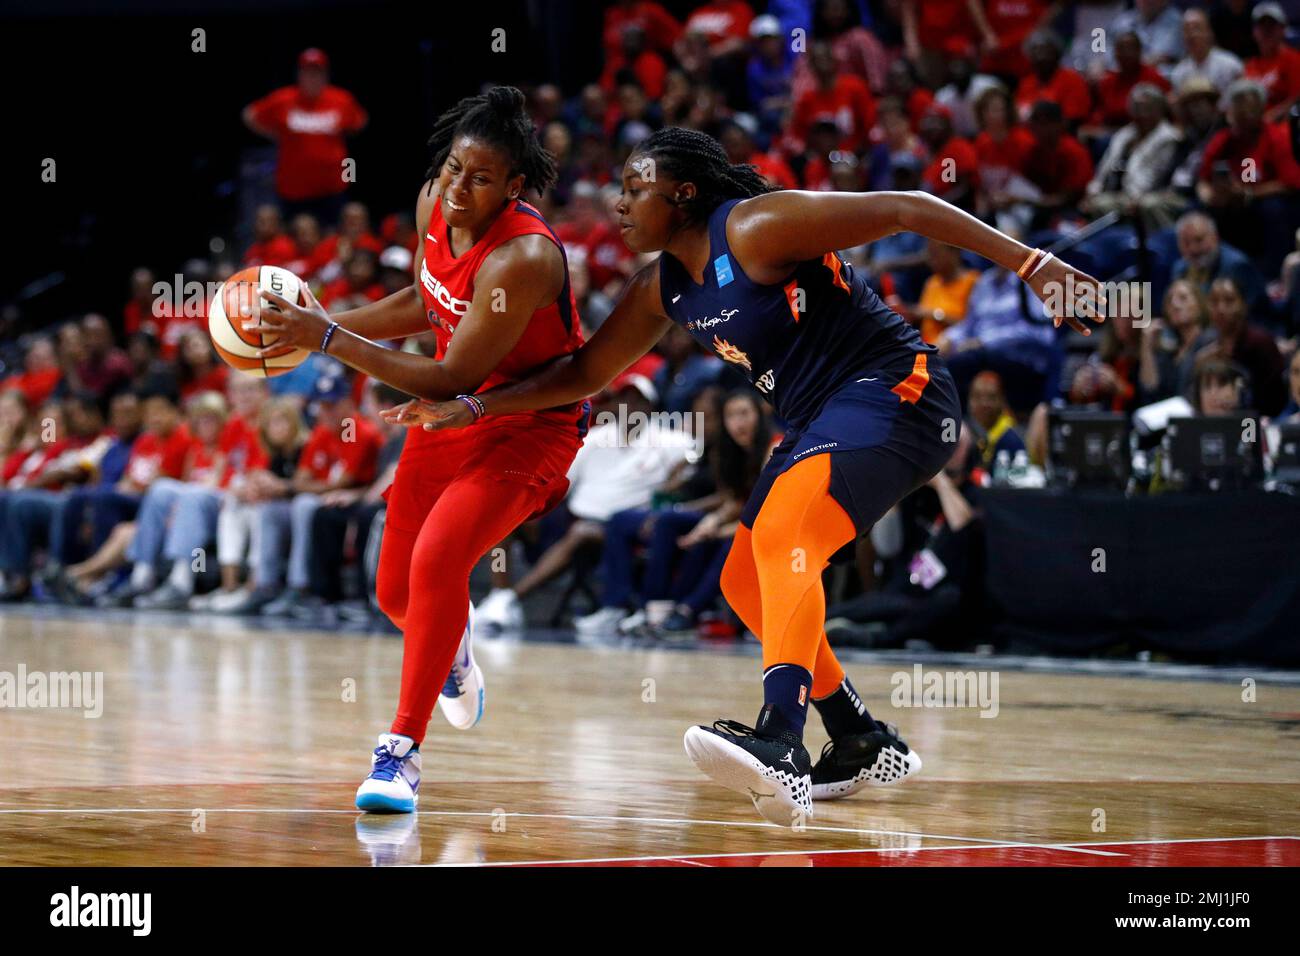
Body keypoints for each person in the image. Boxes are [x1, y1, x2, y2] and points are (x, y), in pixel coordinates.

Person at [384, 126, 1102, 825]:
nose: (620, 204)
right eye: (619, 190)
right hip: (820, 419)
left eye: (638, 189)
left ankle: (779, 739)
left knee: (787, 535)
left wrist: (1033, 263)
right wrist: (476, 404)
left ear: (685, 195)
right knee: (743, 582)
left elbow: (909, 206)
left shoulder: (756, 228)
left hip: (895, 388)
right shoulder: (661, 287)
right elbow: (580, 374)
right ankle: (856, 735)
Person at [246, 87, 590, 814]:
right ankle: (453, 652)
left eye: (483, 178)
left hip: (529, 422)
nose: (461, 188)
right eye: (456, 169)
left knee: (439, 561)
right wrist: (322, 322)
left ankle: (400, 753)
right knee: (394, 594)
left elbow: (455, 371)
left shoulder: (524, 258)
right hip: (446, 416)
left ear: (515, 186)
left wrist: (329, 340)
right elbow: (423, 300)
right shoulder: (435, 201)